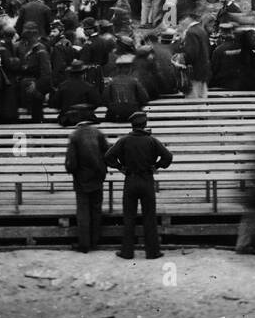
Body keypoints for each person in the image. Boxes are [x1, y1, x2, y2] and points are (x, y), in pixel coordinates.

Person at [104, 110, 173, 260]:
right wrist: (156, 166)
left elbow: (108, 156)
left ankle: (127, 252)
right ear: (145, 124)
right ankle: (153, 252)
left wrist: (120, 167)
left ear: (132, 125)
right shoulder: (152, 141)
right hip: (147, 180)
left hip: (130, 180)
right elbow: (168, 156)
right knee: (149, 217)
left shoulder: (124, 140)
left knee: (129, 217)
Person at [64, 109, 110, 252]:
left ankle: (84, 244)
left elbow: (71, 163)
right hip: (98, 177)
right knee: (96, 210)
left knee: (83, 212)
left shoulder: (75, 136)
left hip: (81, 179)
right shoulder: (98, 134)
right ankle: (95, 241)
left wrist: (72, 170)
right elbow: (108, 154)